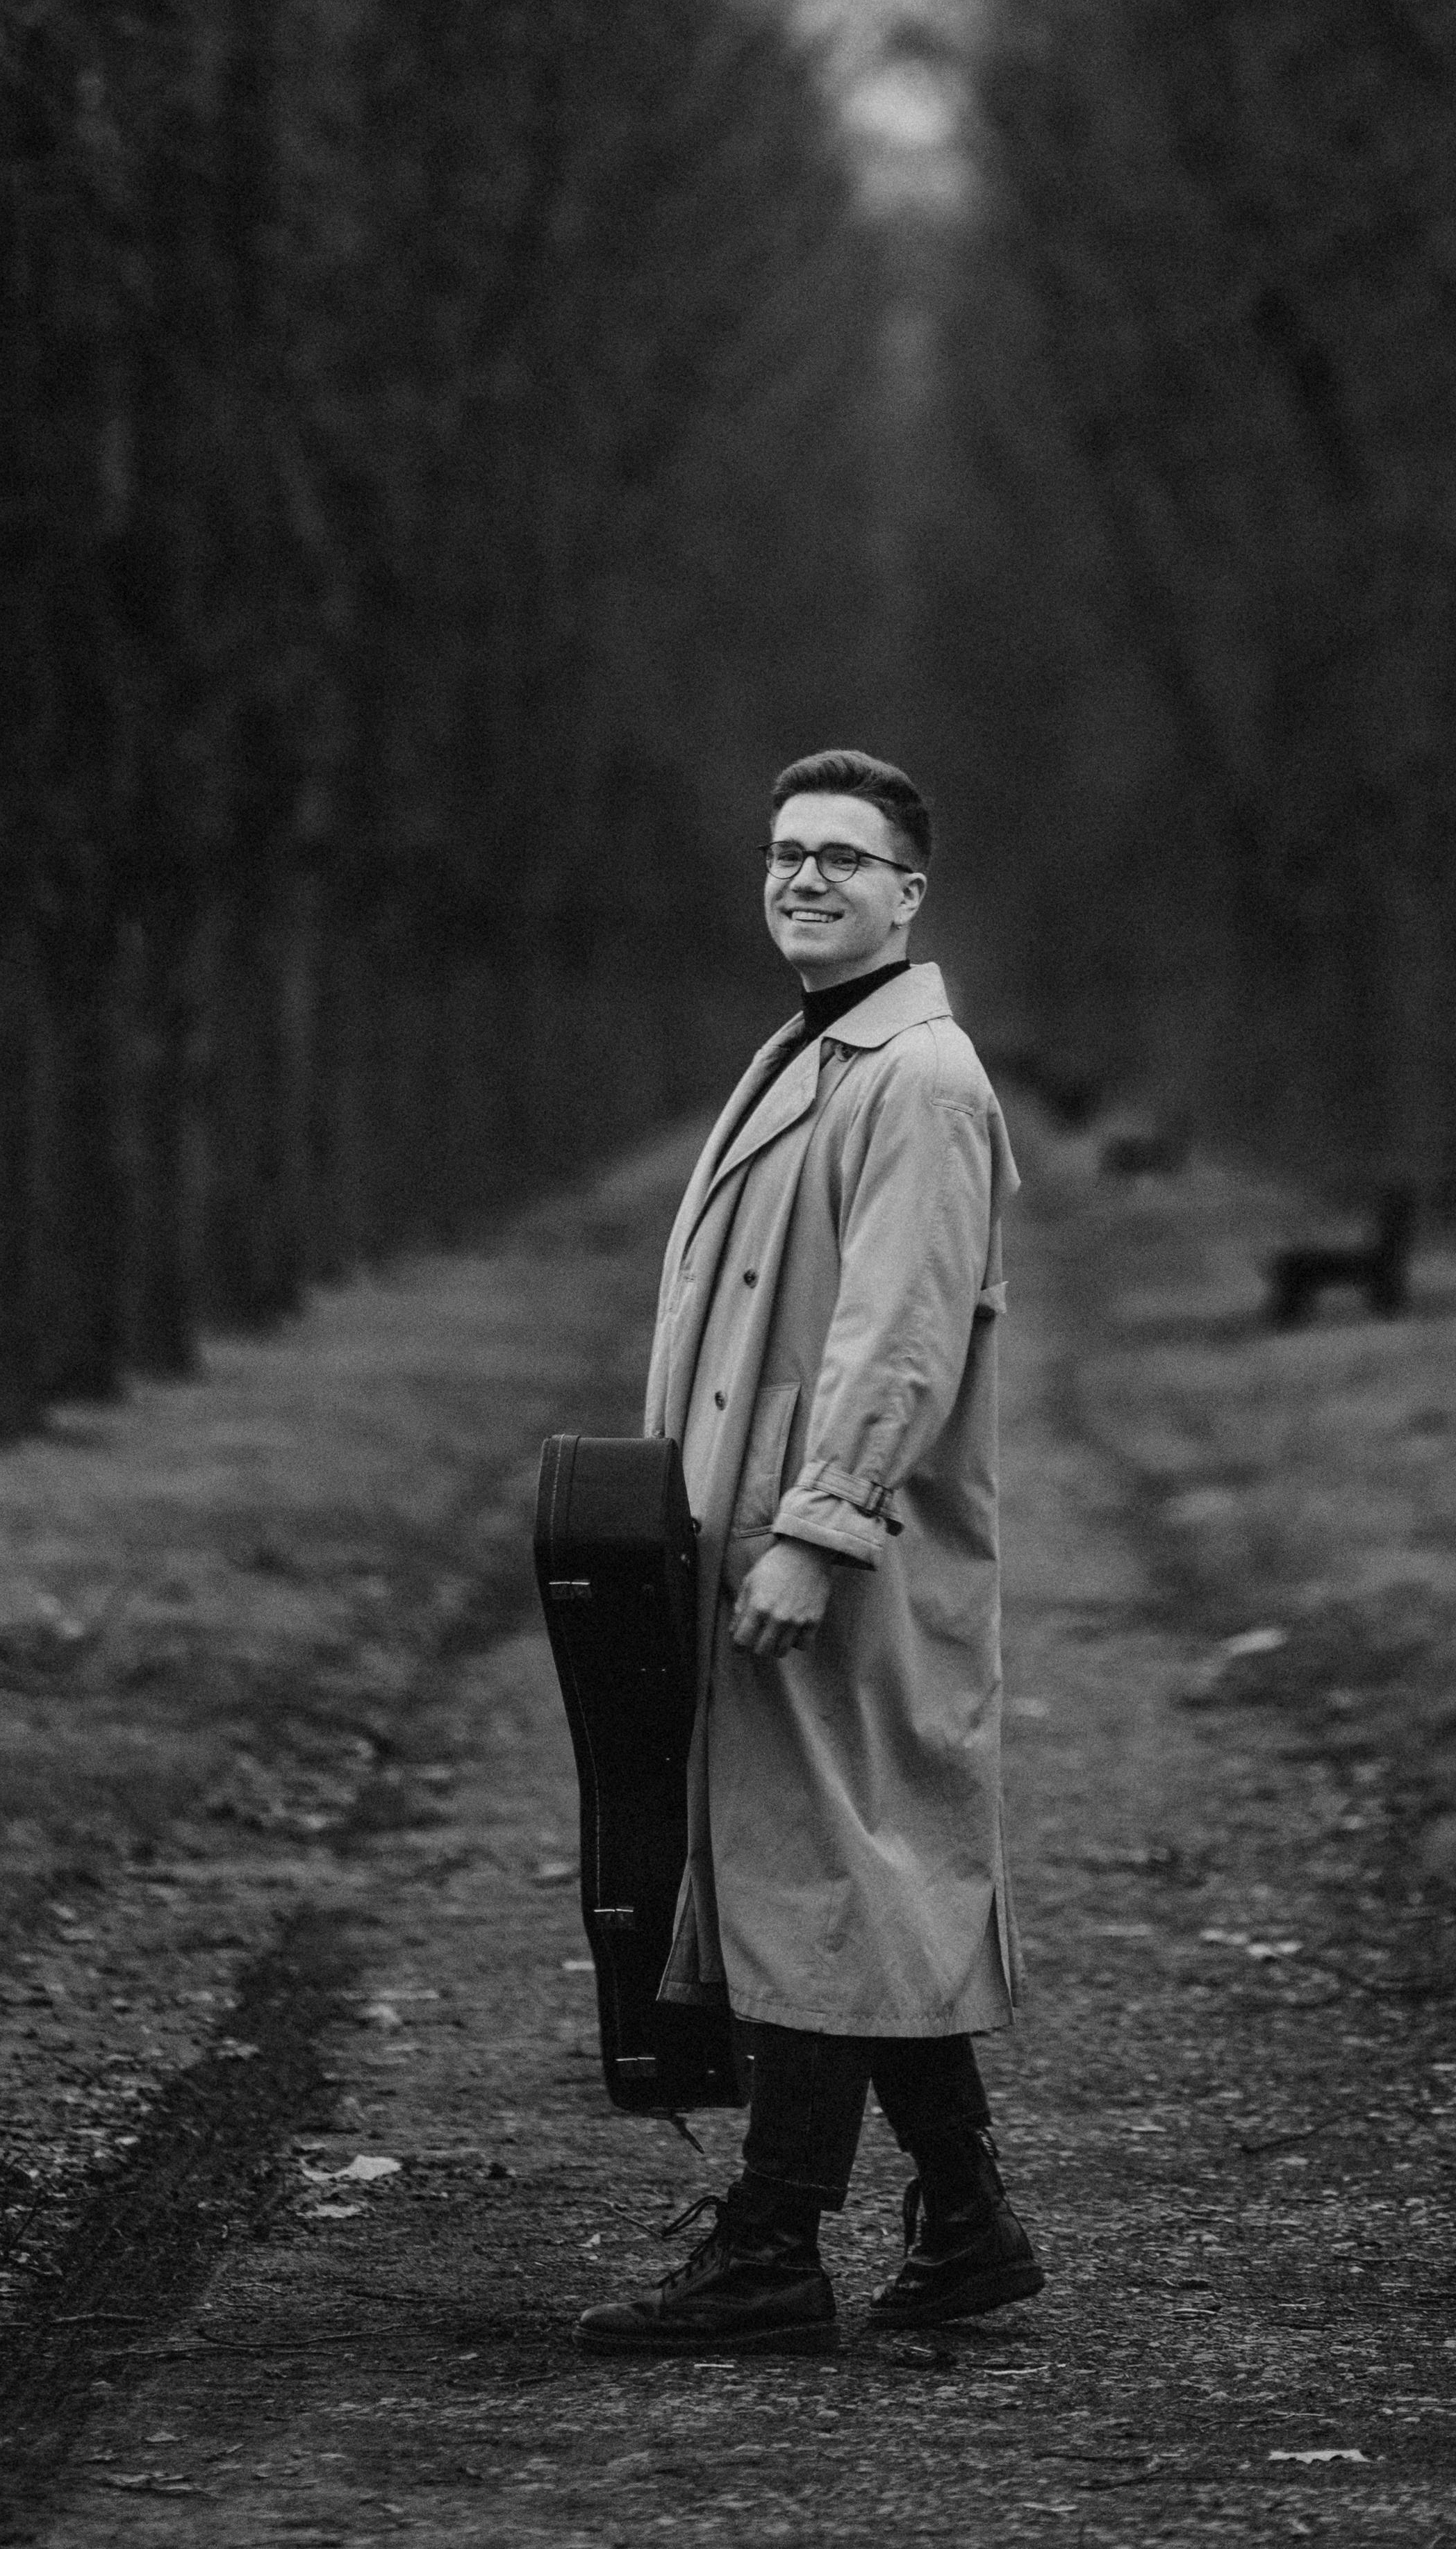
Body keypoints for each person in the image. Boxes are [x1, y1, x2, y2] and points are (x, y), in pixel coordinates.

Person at [576, 748, 1043, 2355]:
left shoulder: (916, 1076)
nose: (805, 877)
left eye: (843, 856)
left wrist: (816, 1528)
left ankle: (773, 2246)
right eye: (785, 852)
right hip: (769, 1532)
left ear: (909, 892)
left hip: (832, 1548)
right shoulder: (816, 1051)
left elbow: (899, 1330)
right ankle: (965, 2225)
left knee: (817, 1873)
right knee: (850, 1870)